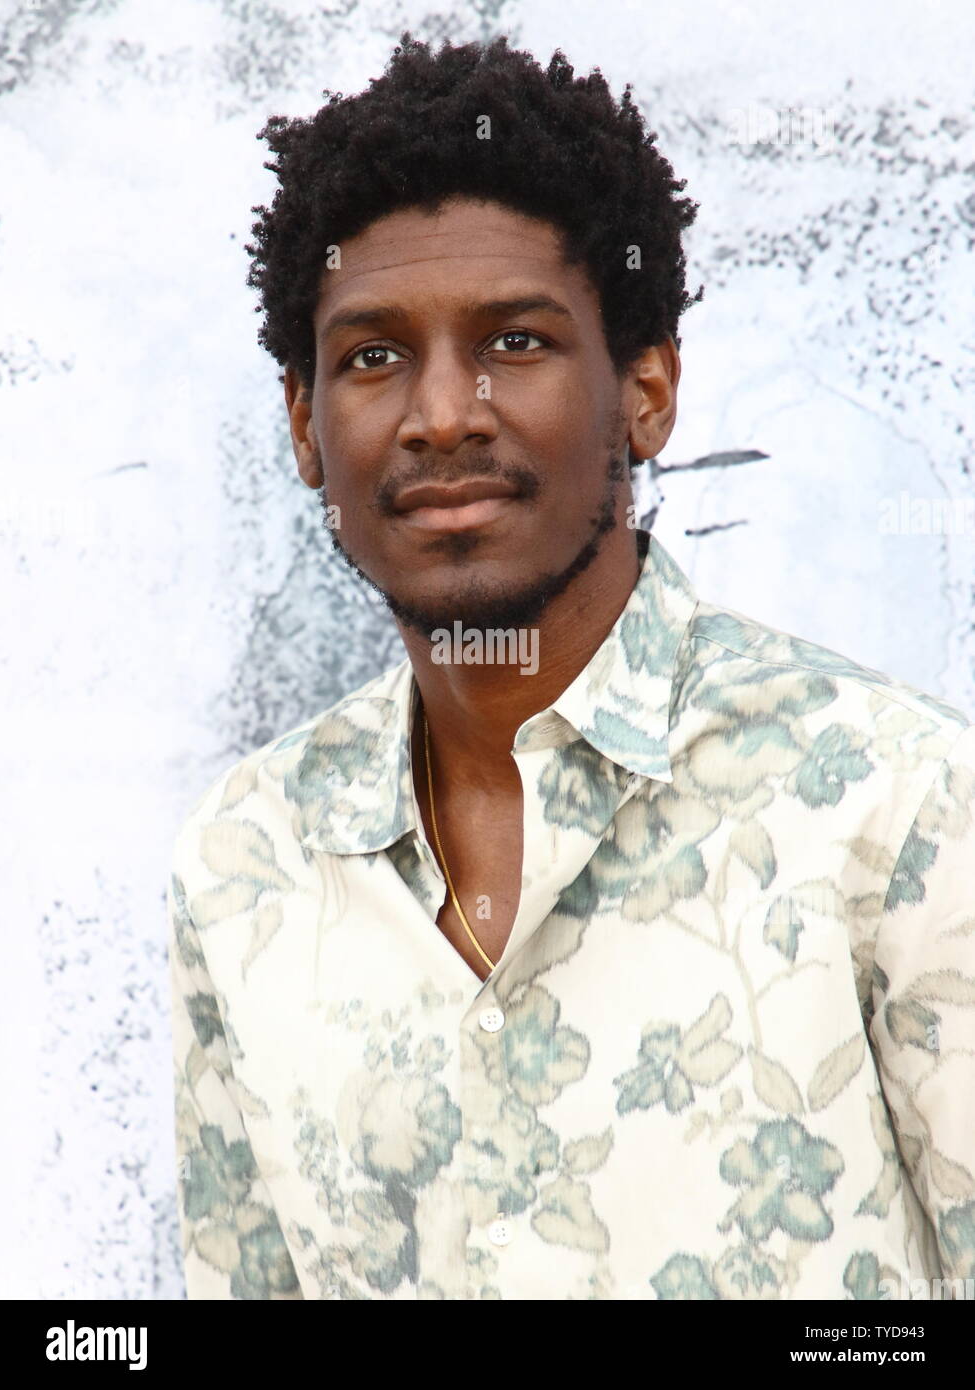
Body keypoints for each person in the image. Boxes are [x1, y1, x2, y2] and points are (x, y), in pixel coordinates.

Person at [166, 32, 975, 1300]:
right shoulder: (242, 861)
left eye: (518, 342)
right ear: (305, 426)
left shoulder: (898, 806)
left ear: (644, 390)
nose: (442, 413)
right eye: (372, 355)